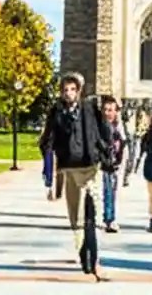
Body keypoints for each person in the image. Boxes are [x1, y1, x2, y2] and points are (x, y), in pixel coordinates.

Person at [41, 72, 112, 280]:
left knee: (95, 214)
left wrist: (104, 152)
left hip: (91, 168)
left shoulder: (90, 108)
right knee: (78, 219)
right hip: (70, 169)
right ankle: (85, 257)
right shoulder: (56, 112)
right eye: (65, 90)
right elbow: (48, 139)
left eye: (72, 89)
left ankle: (96, 261)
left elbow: (103, 130)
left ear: (79, 91)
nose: (68, 93)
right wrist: (50, 169)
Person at [100, 95, 126, 233]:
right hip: (101, 164)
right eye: (105, 109)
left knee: (111, 192)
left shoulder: (118, 128)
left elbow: (123, 145)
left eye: (110, 110)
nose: (107, 112)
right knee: (105, 192)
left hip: (113, 165)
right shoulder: (99, 126)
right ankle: (107, 218)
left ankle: (109, 218)